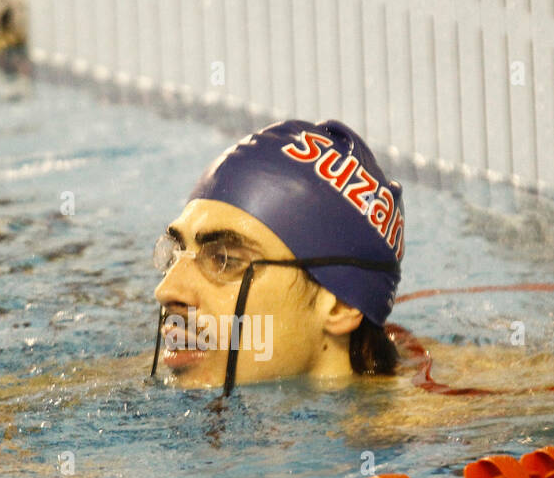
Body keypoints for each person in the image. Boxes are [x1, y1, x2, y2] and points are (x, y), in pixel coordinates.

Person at [150, 119, 405, 394]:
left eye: (225, 260)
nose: (166, 291)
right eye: (176, 252)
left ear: (340, 306)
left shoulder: (420, 432)